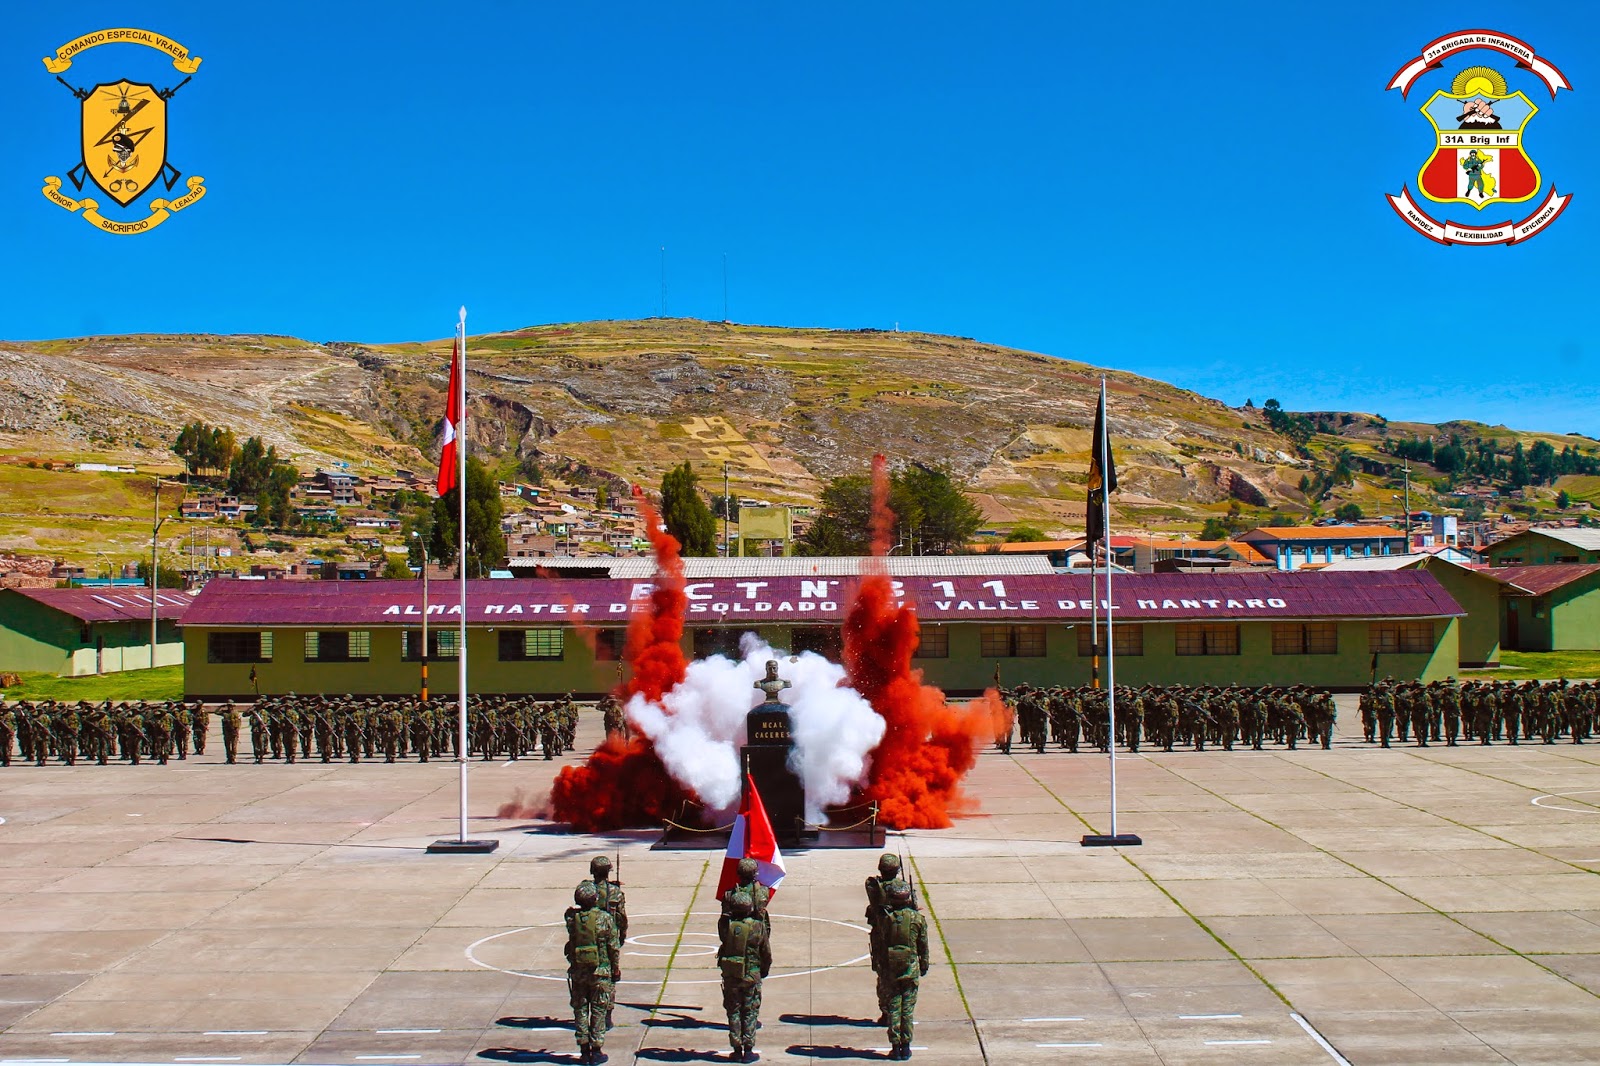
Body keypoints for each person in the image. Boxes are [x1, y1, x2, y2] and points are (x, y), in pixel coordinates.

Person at [565, 882, 621, 1064]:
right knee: (598, 1009)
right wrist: (615, 968)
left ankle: (583, 1049)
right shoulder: (604, 918)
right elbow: (613, 946)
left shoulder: (572, 919)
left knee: (580, 1009)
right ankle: (596, 1050)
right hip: (600, 971)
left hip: (579, 972)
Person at [874, 879, 929, 1060]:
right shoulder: (918, 919)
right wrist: (924, 964)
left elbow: (881, 943)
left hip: (891, 969)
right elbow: (923, 946)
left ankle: (895, 1046)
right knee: (907, 1009)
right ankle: (906, 1046)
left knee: (894, 1008)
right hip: (909, 968)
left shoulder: (886, 920)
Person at [718, 890, 771, 1063]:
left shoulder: (728, 926)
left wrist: (725, 909)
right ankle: (748, 1049)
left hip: (732, 975)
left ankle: (736, 1048)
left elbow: (722, 931)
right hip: (751, 975)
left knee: (733, 1011)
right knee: (749, 1011)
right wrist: (763, 971)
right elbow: (766, 953)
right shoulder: (758, 927)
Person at [864, 853, 905, 1024]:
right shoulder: (901, 888)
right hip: (898, 936)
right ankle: (899, 1011)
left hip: (880, 936)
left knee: (883, 975)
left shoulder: (874, 886)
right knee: (902, 974)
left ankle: (887, 1011)